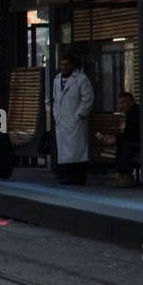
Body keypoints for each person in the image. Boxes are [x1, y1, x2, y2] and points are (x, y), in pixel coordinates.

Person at [51, 52, 94, 185]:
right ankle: (67, 176)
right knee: (65, 151)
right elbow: (55, 99)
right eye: (61, 64)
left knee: (78, 151)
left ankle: (79, 178)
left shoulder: (81, 79)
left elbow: (88, 98)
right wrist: (55, 115)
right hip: (62, 120)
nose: (63, 67)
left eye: (66, 64)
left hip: (76, 120)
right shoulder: (57, 79)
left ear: (72, 65)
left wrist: (80, 115)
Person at [114, 91, 141, 187]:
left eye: (123, 103)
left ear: (131, 102)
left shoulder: (136, 113)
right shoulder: (130, 113)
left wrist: (116, 139)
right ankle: (120, 174)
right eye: (119, 103)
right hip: (139, 140)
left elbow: (131, 134)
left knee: (126, 146)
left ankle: (126, 176)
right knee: (121, 145)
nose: (121, 106)